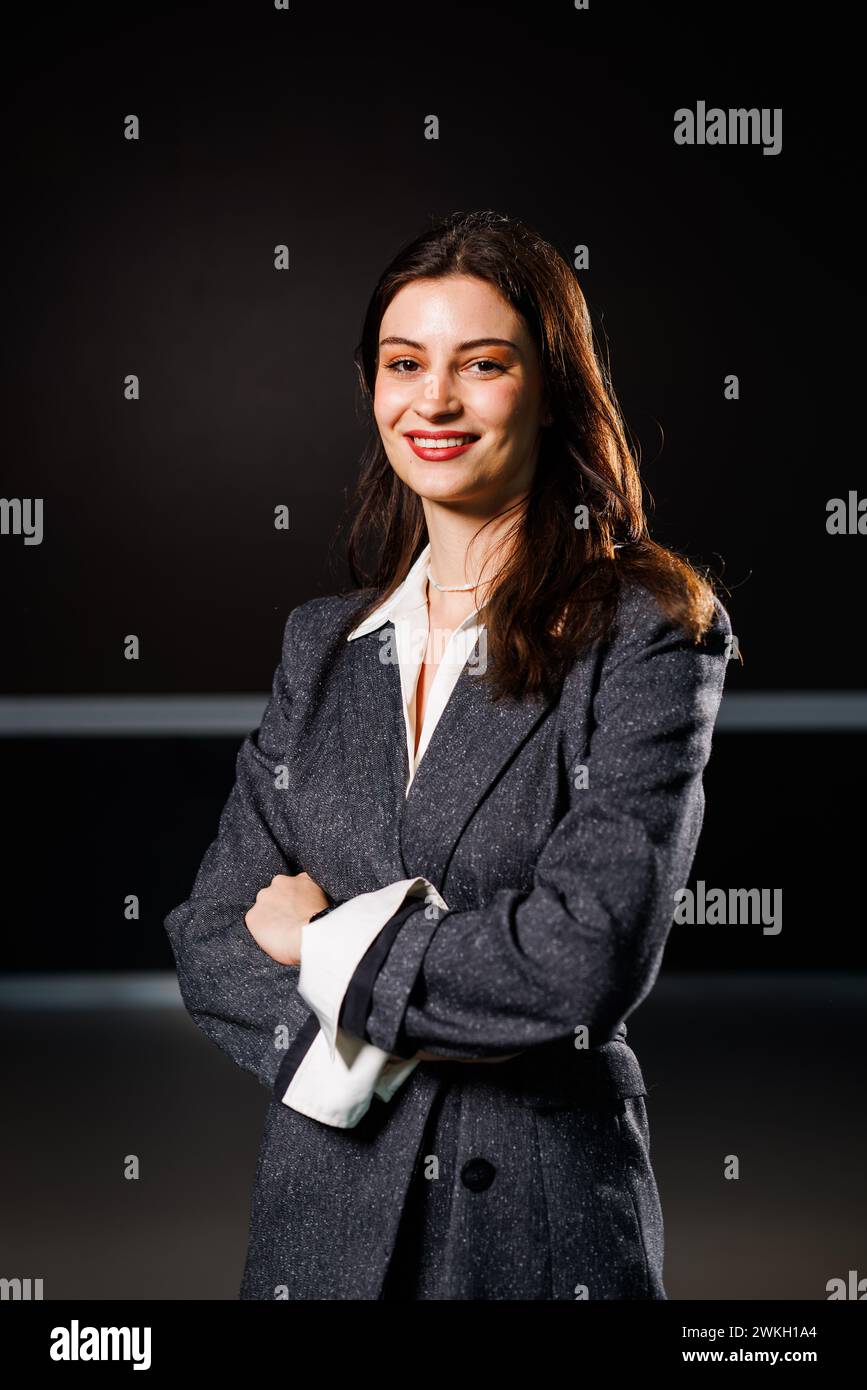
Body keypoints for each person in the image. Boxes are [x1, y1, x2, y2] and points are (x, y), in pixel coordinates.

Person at [164, 209, 731, 1300]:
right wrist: (350, 1061)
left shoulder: (649, 627)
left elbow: (580, 963)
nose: (433, 400)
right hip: (321, 1222)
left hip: (536, 1228)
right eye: (403, 363)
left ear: (552, 386)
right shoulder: (321, 646)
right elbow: (210, 934)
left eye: (482, 364)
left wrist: (326, 942)